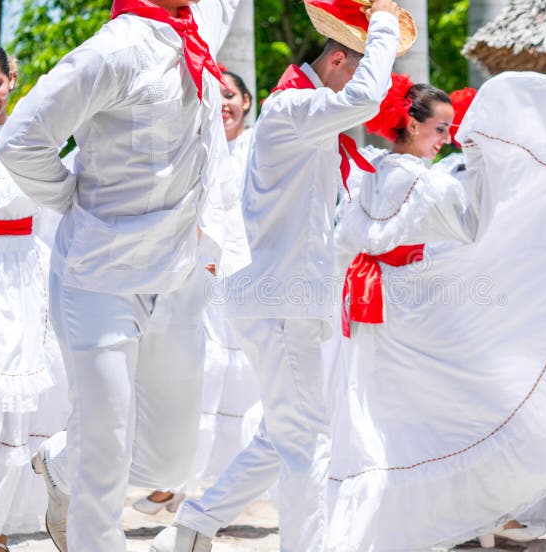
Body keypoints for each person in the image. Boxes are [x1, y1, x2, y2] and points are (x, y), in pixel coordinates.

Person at [326, 70, 546, 551]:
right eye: (440, 129)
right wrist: (481, 159)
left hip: (384, 307)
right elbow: (473, 225)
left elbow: (350, 236)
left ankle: (470, 517)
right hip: (409, 308)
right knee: (469, 404)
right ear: (412, 124)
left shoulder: (373, 170)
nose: (446, 138)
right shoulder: (418, 181)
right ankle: (481, 514)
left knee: (408, 415)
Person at [151, 1, 412, 550]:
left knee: (282, 435)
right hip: (281, 301)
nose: (362, 84)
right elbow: (364, 98)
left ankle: (191, 529)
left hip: (280, 298)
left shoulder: (297, 108)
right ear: (338, 61)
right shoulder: (295, 106)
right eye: (360, 68)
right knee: (306, 443)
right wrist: (385, 23)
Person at [0, 0, 245, 550]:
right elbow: (21, 140)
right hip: (99, 275)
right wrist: (75, 201)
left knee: (169, 461)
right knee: (105, 451)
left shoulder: (197, 29)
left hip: (175, 275)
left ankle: (62, 460)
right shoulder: (112, 52)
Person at [0, 29, 67, 552]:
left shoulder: (33, 139)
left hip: (22, 276)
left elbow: (52, 213)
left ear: (12, 80)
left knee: (14, 402)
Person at [134, 69, 260, 515]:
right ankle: (174, 478)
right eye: (215, 95)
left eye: (230, 94)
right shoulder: (196, 147)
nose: (223, 103)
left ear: (246, 101)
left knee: (241, 385)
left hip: (245, 279)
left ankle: (219, 488)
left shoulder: (257, 149)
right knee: (199, 374)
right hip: (198, 278)